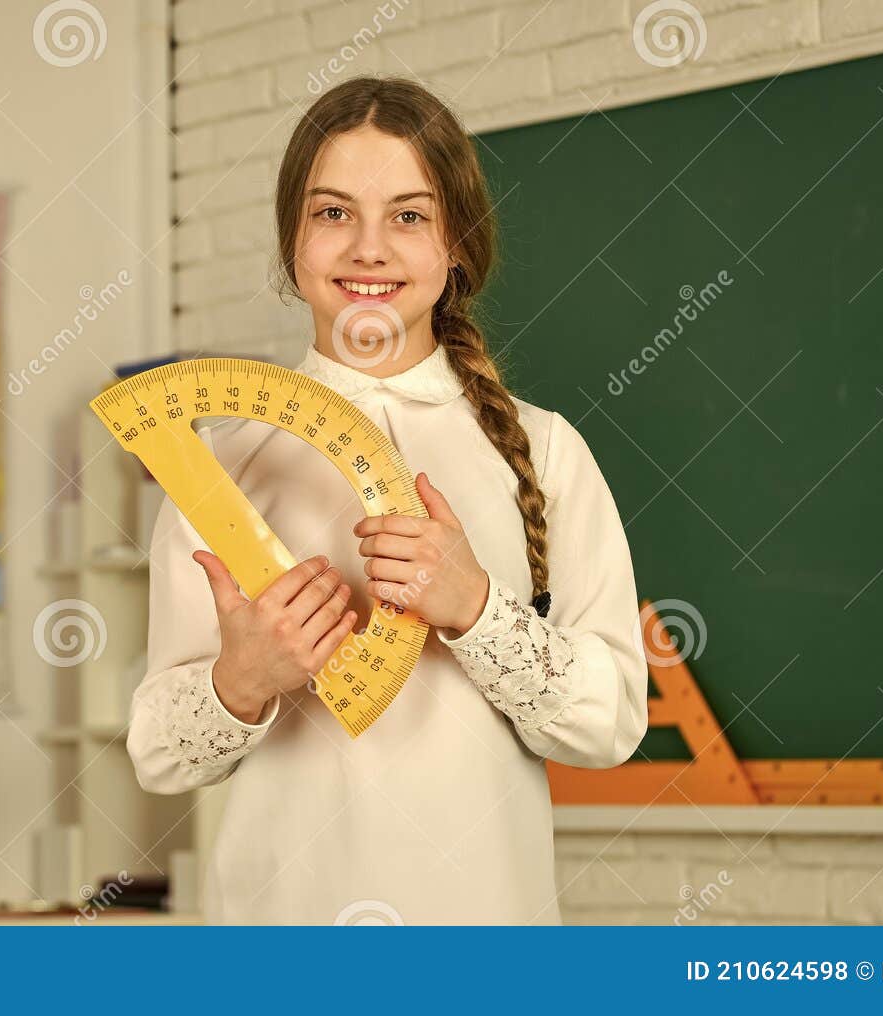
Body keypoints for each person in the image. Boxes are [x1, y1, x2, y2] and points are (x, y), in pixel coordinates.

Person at [126, 75, 649, 924]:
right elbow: (157, 753)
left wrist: (477, 609)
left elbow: (611, 724)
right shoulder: (214, 463)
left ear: (456, 246)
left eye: (409, 215)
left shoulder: (544, 451)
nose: (369, 249)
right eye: (333, 213)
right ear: (293, 239)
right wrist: (242, 680)